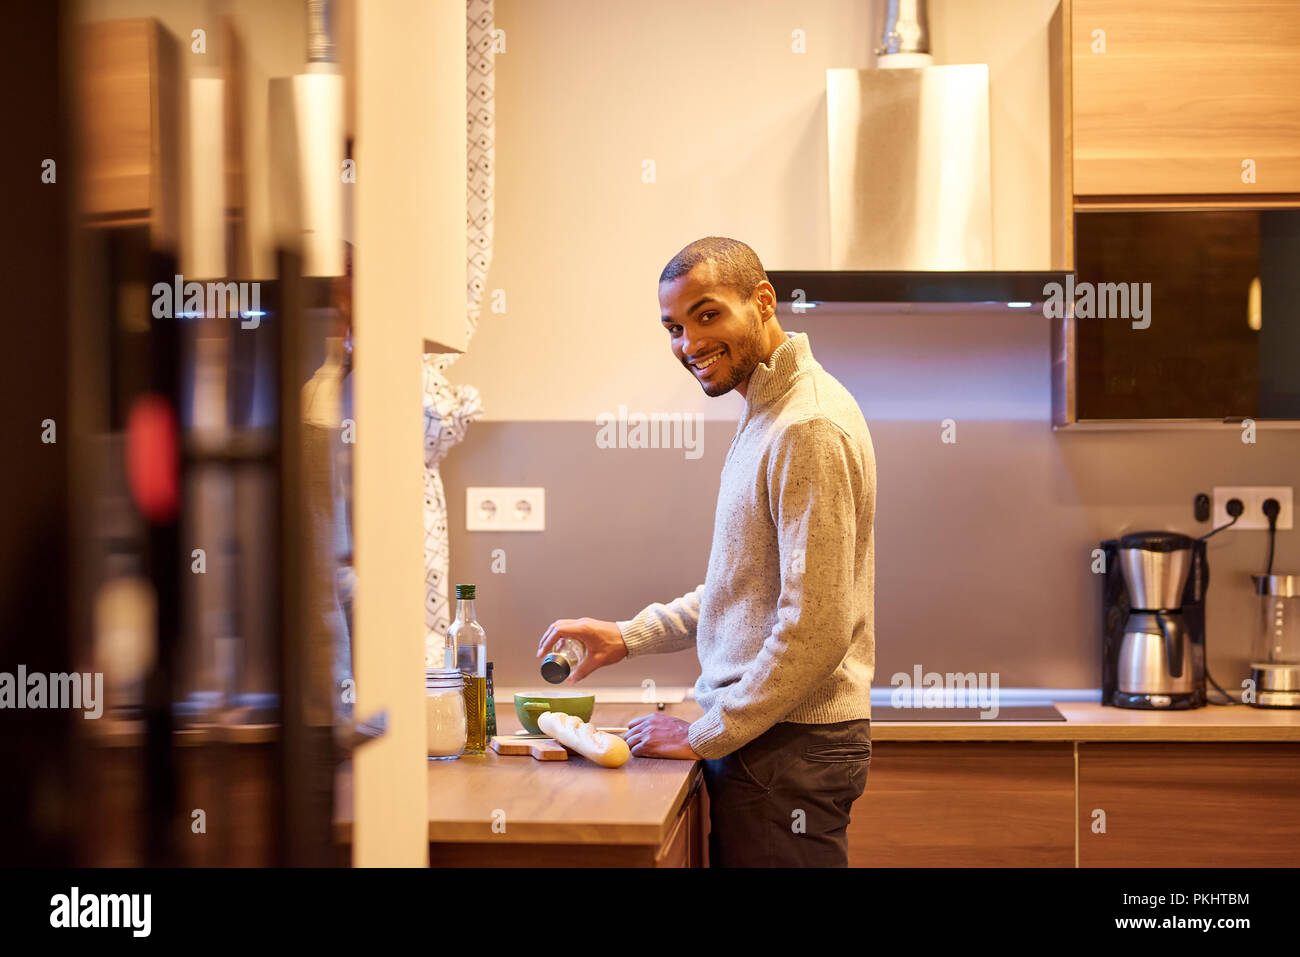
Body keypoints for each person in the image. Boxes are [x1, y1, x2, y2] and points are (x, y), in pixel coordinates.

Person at [537, 236, 876, 867]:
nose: (689, 343)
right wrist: (626, 636)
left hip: (786, 747)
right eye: (673, 326)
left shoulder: (807, 426)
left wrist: (704, 735)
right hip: (767, 740)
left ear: (763, 301)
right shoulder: (768, 415)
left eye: (707, 314)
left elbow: (818, 626)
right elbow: (744, 588)